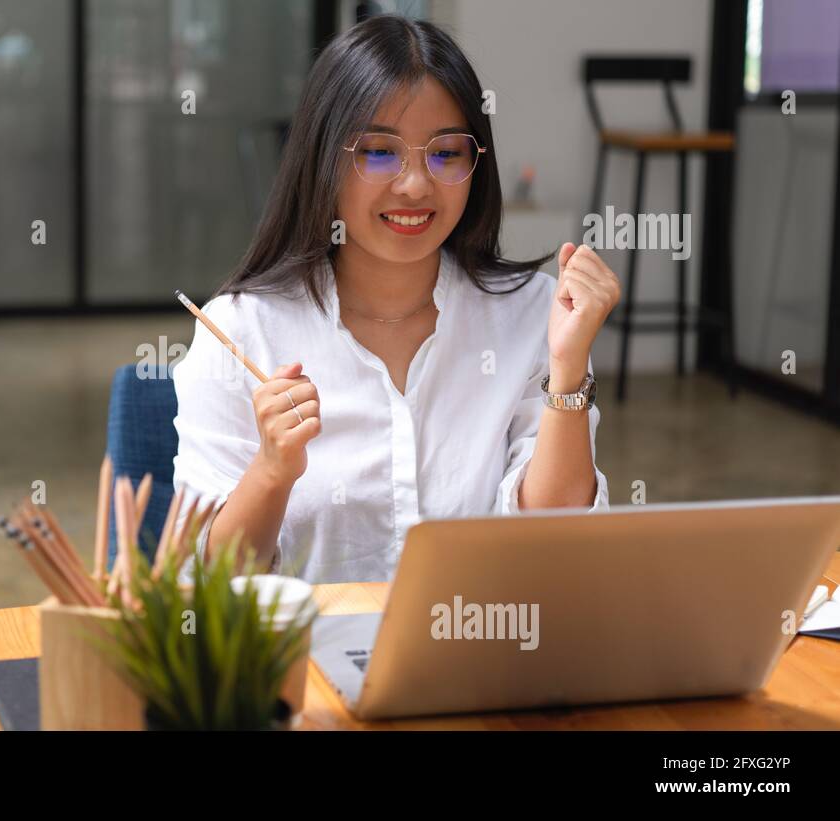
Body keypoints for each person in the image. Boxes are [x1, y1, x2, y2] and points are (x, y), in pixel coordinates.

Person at [172, 15, 619, 584]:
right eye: (379, 152)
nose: (414, 185)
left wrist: (568, 370)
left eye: (446, 154)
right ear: (323, 159)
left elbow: (555, 547)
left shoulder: (534, 313)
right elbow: (206, 584)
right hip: (305, 663)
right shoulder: (241, 330)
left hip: (479, 654)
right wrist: (271, 472)